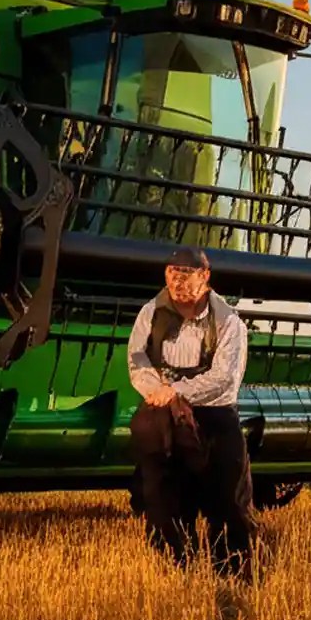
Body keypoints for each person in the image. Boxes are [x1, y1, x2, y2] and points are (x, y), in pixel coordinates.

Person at [126, 246, 256, 579]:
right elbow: (137, 359)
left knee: (228, 503)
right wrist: (158, 392)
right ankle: (174, 570)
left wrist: (178, 391)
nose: (178, 282)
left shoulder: (228, 321)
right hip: (163, 413)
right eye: (172, 273)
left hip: (214, 416)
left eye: (186, 275)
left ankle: (231, 573)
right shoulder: (151, 312)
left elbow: (224, 377)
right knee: (163, 499)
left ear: (205, 277)